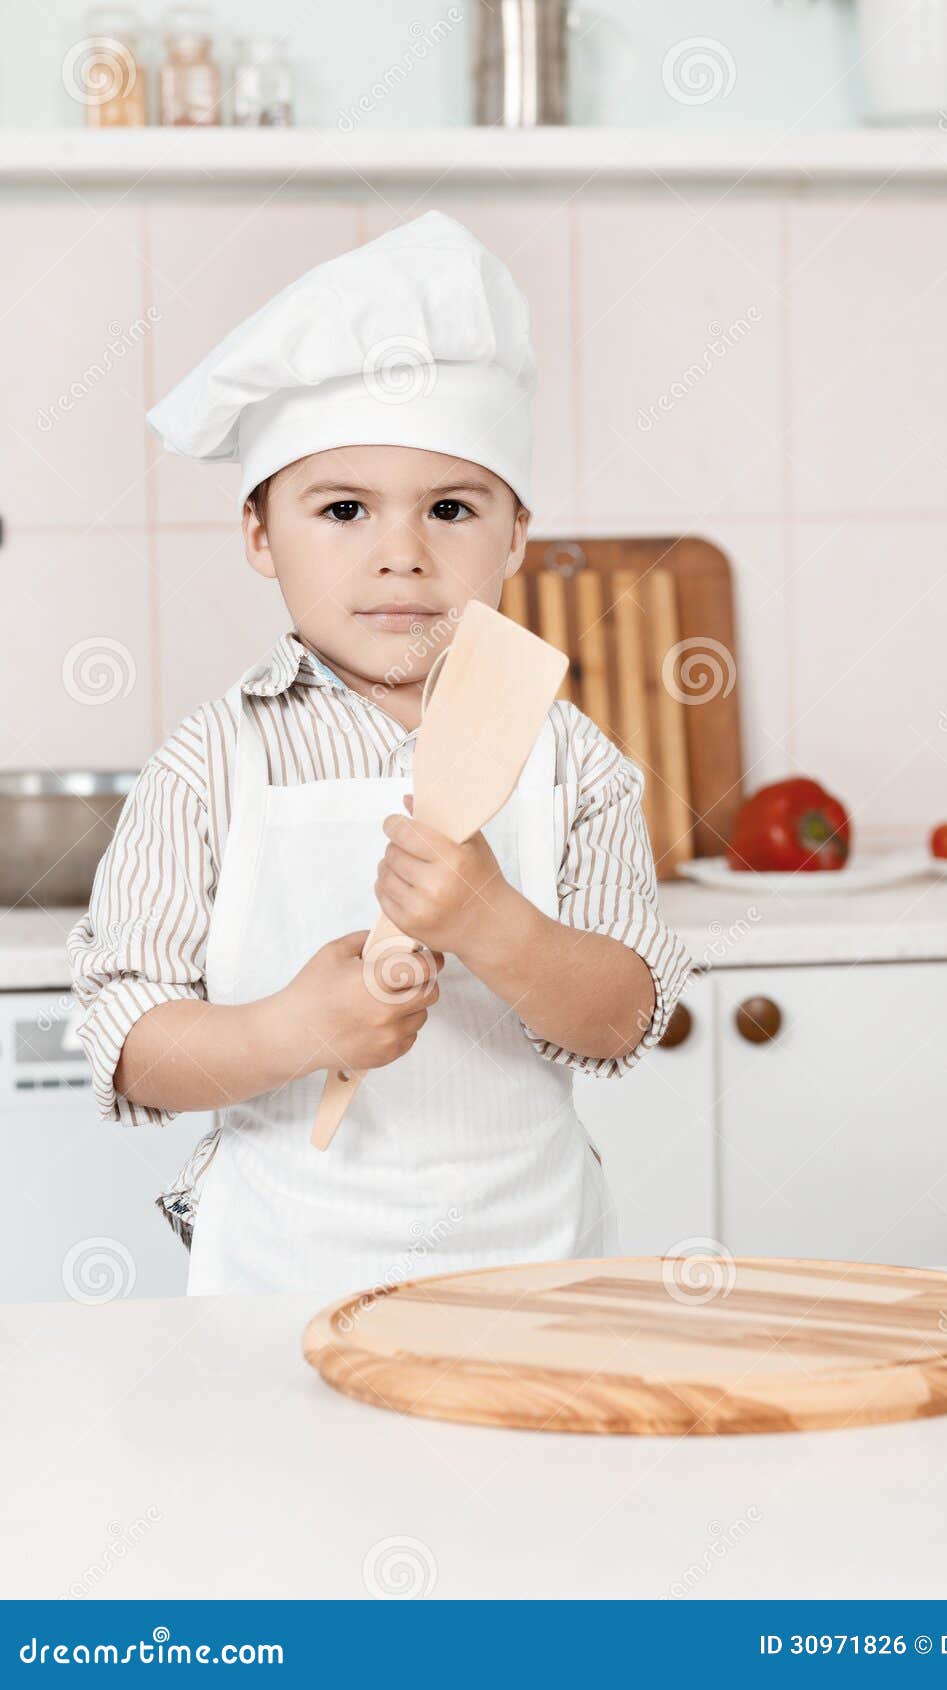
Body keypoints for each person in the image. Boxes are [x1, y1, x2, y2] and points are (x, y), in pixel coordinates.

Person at [67, 211, 700, 1298]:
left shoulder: (570, 758)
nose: (400, 554)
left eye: (450, 508)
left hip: (534, 1274)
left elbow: (619, 1019)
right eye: (343, 509)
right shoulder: (210, 760)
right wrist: (290, 1028)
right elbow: (127, 1045)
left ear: (513, 534)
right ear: (261, 534)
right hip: (282, 1283)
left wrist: (492, 924)